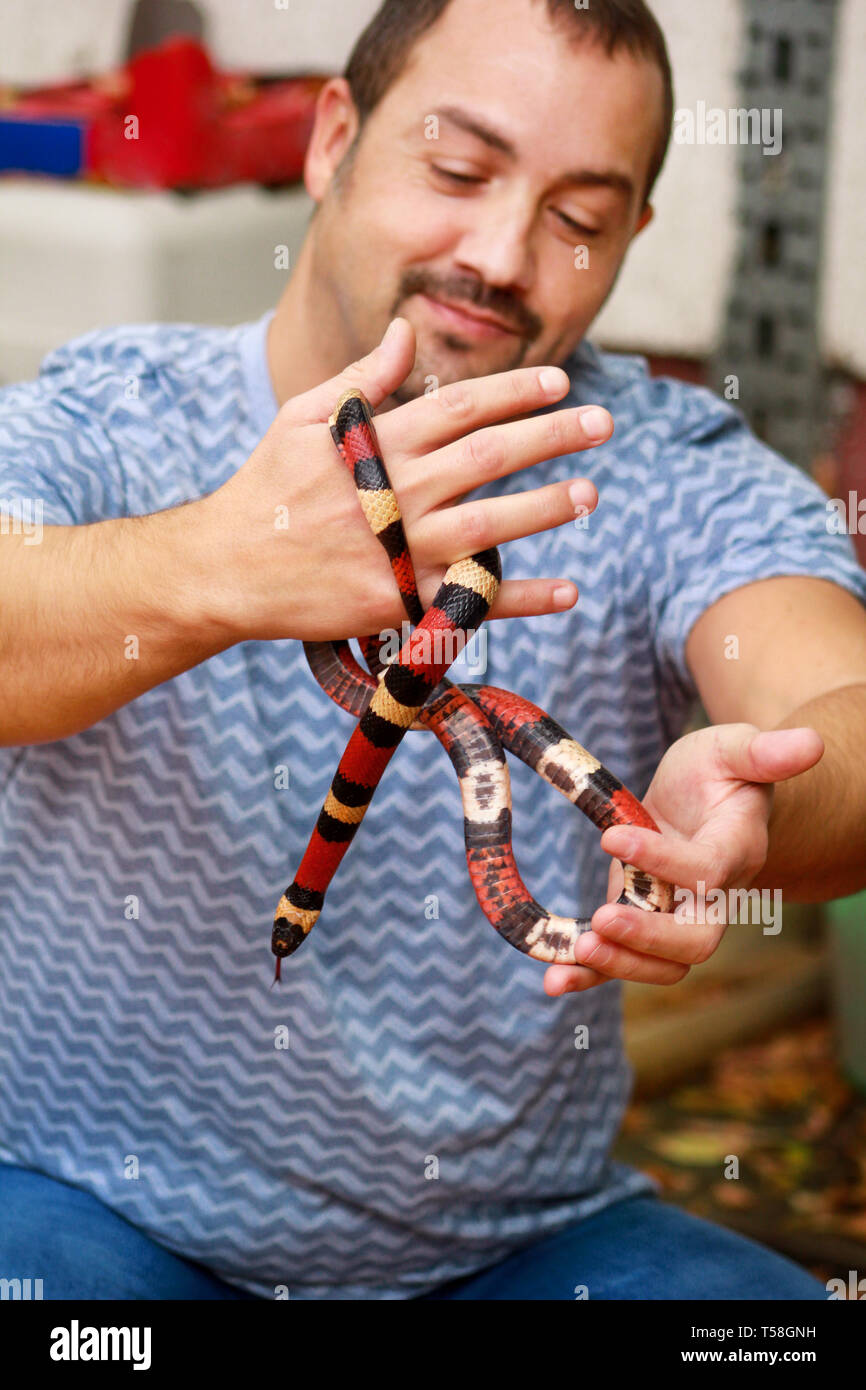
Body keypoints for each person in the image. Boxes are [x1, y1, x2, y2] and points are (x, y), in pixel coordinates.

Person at [0, 0, 863, 1302]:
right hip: (88, 1210)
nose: (501, 253)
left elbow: (835, 702)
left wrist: (757, 804)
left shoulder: (665, 470)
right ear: (333, 138)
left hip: (512, 1245)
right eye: (457, 170)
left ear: (630, 239)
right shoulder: (120, 416)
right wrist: (218, 565)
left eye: (577, 218)